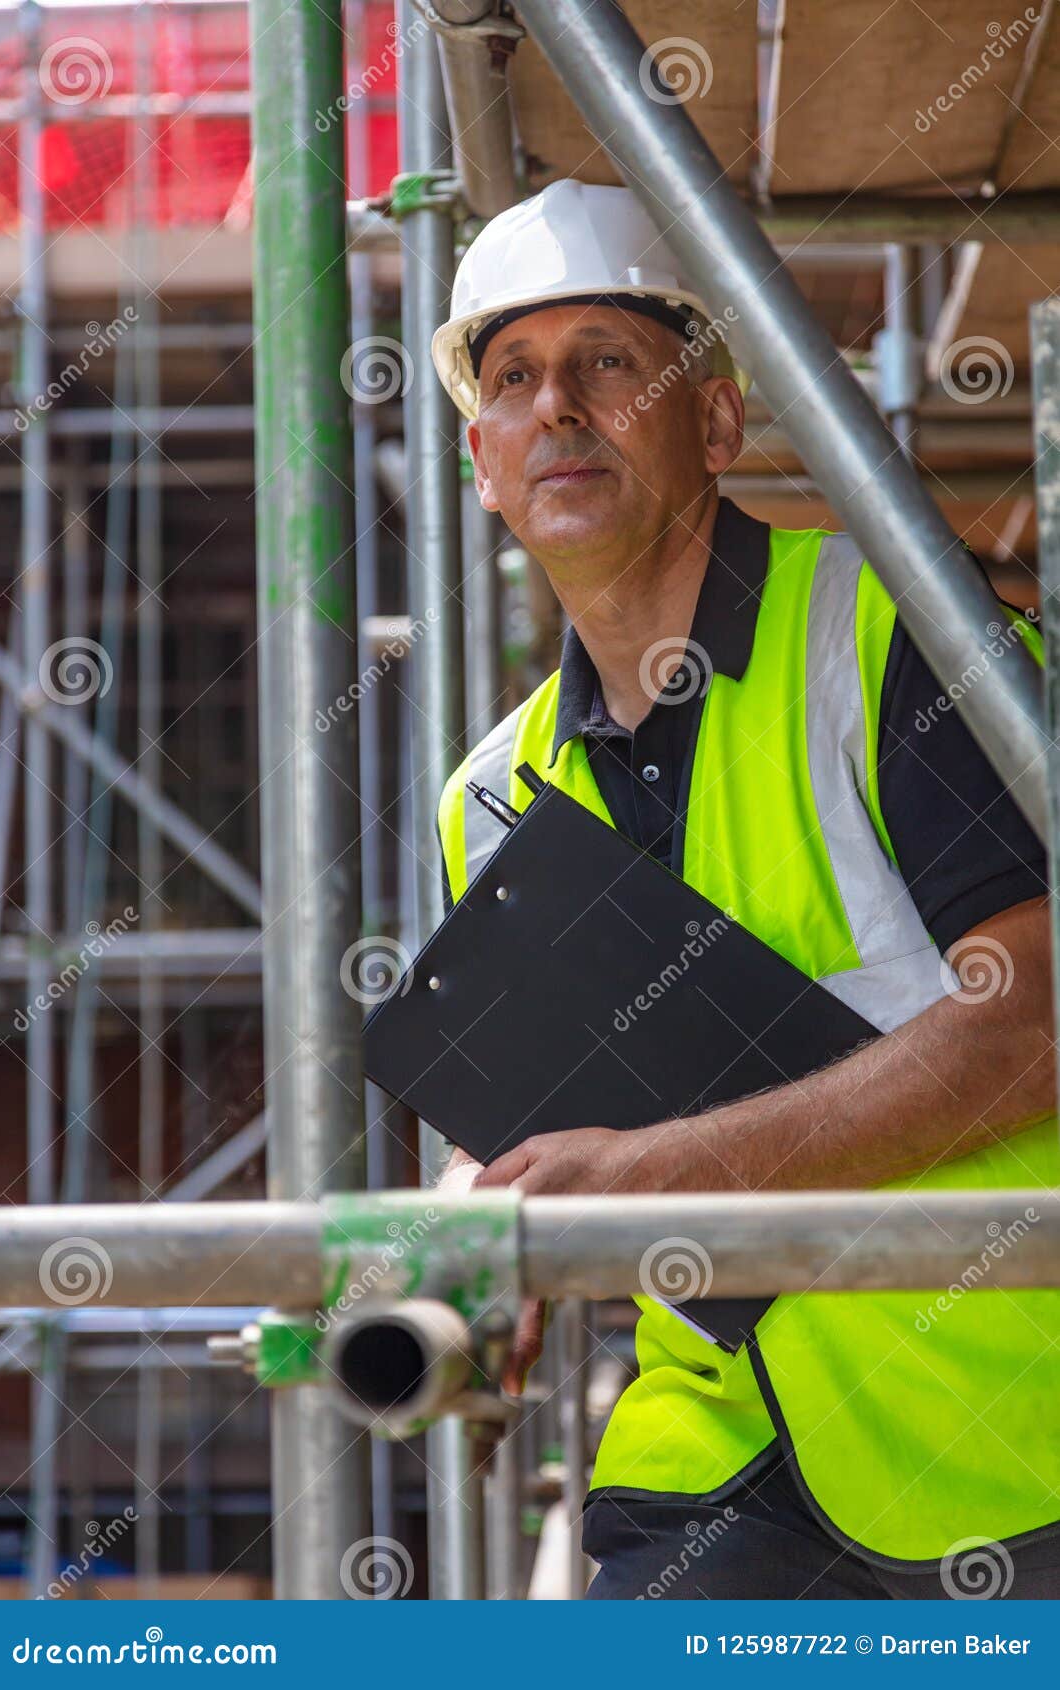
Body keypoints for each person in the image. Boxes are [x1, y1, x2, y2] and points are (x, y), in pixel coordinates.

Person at [429, 178, 1060, 1598]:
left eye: (607, 360)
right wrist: (485, 1205)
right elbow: (547, 1113)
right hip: (714, 1444)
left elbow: (1036, 1021)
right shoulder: (486, 794)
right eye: (516, 378)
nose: (559, 410)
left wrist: (643, 1176)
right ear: (481, 460)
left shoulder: (894, 630)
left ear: (714, 421)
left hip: (1009, 1420)